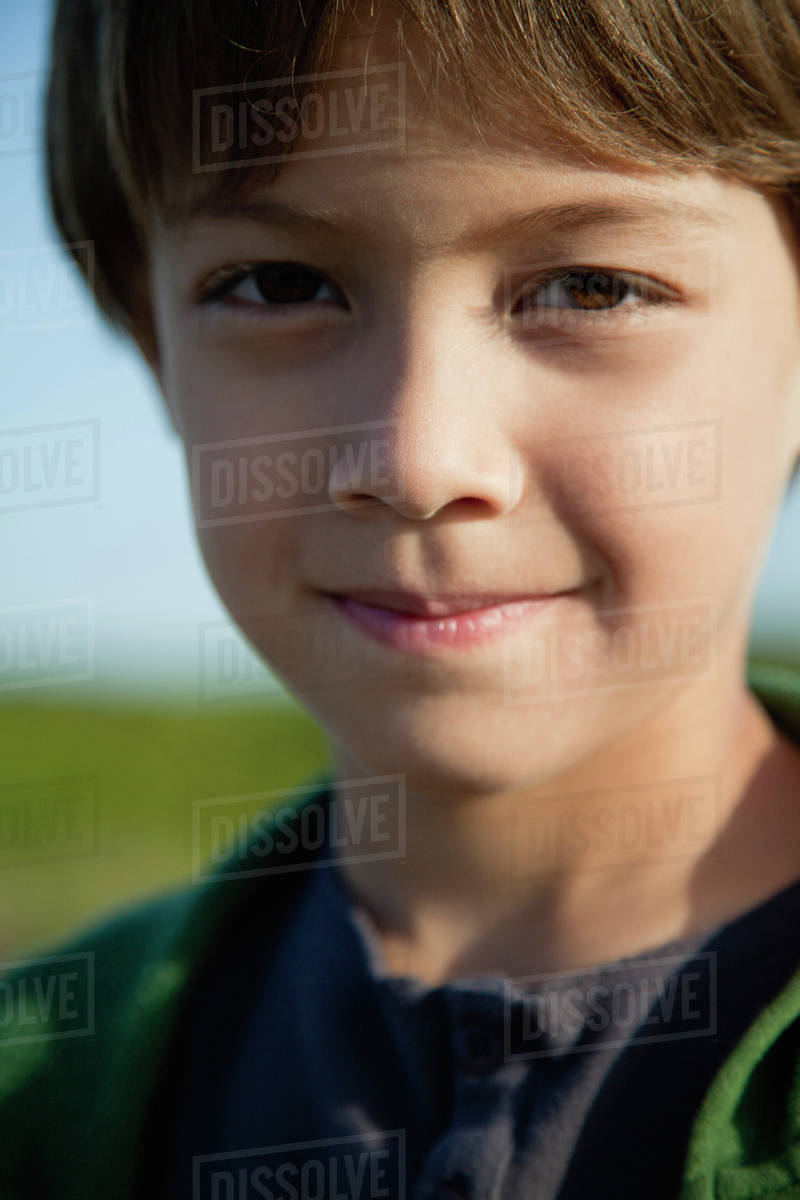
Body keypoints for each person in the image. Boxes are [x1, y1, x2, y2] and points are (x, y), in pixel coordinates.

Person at [3, 0, 800, 1196]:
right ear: (149, 337)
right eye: (277, 282)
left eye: (590, 286)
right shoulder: (41, 1080)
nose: (418, 461)